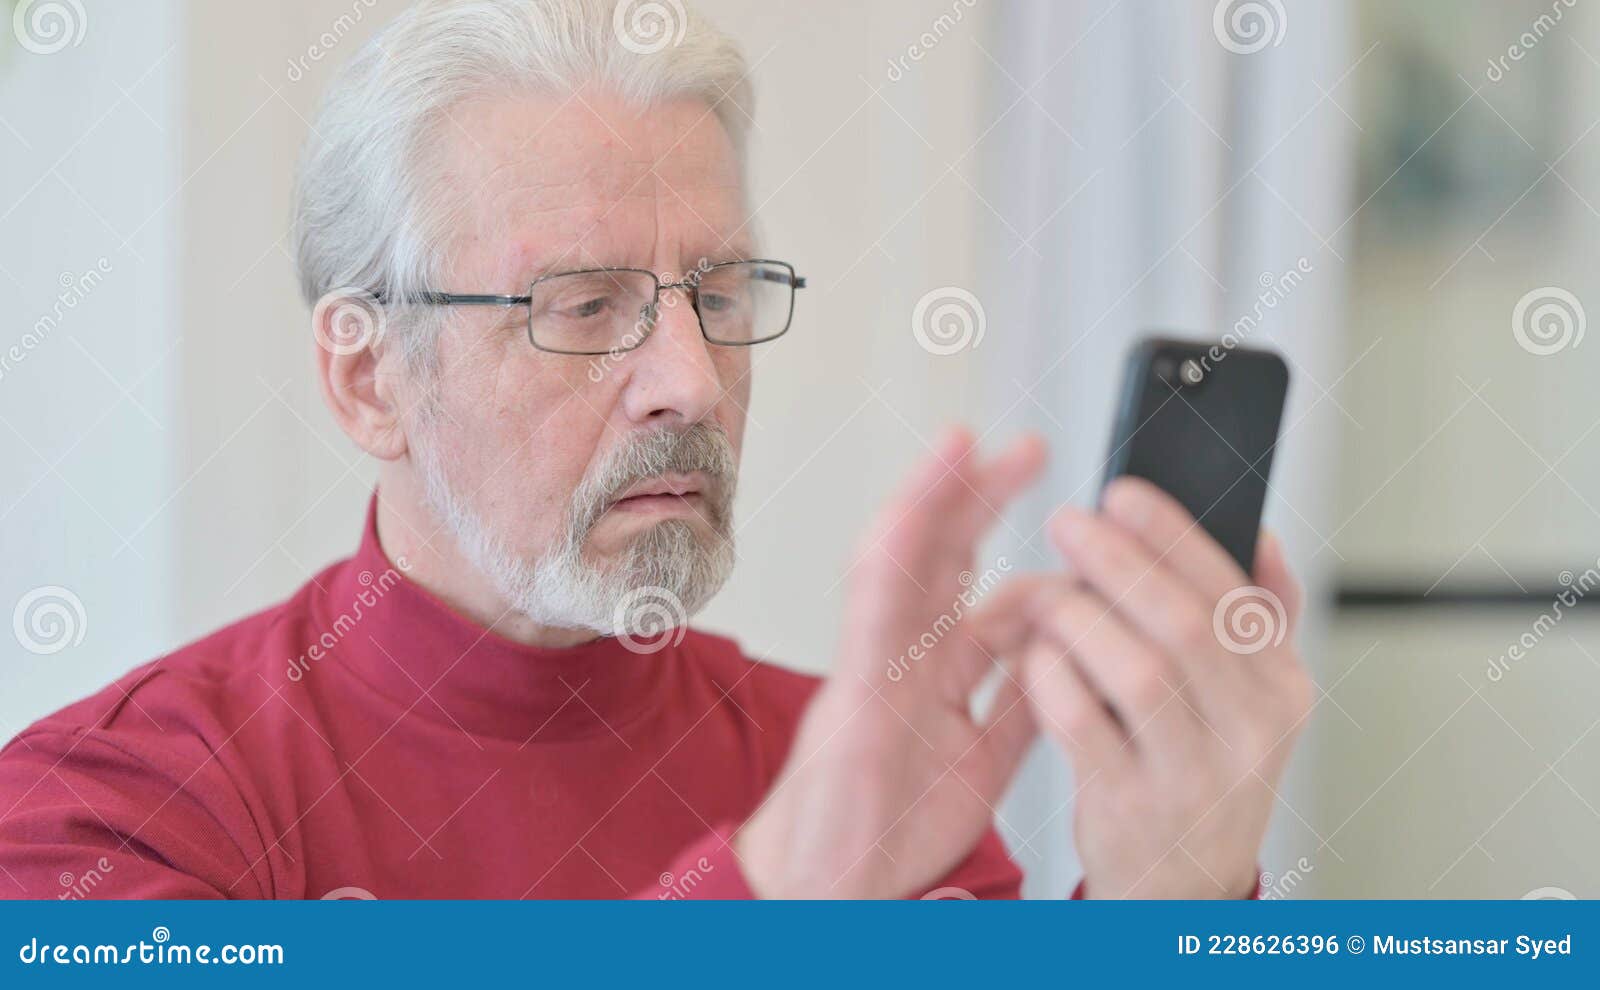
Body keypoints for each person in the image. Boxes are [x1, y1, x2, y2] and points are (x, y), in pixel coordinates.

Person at [0, 0, 1312, 900]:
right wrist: (778, 891)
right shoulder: (115, 807)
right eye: (582, 307)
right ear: (368, 376)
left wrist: (1170, 893)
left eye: (722, 296)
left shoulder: (851, 760)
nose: (690, 381)